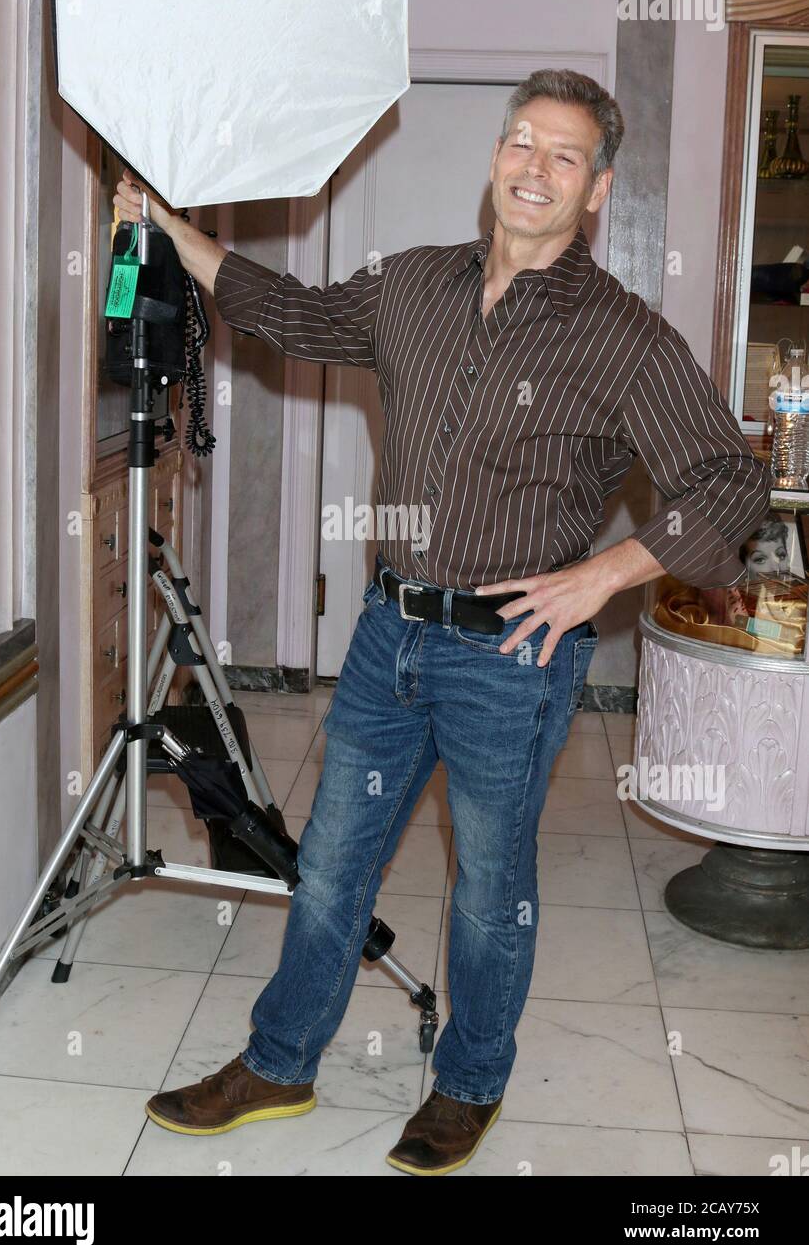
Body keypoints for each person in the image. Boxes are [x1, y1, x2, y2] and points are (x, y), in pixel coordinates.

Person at [113, 68, 772, 1176]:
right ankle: (280, 1062)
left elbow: (725, 481)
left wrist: (595, 577)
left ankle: (468, 1083)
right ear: (493, 157)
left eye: (563, 156)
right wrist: (168, 228)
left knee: (488, 886)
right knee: (329, 862)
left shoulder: (621, 338)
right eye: (520, 141)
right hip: (388, 635)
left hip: (508, 660)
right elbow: (290, 311)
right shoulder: (411, 284)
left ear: (596, 189)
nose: (533, 167)